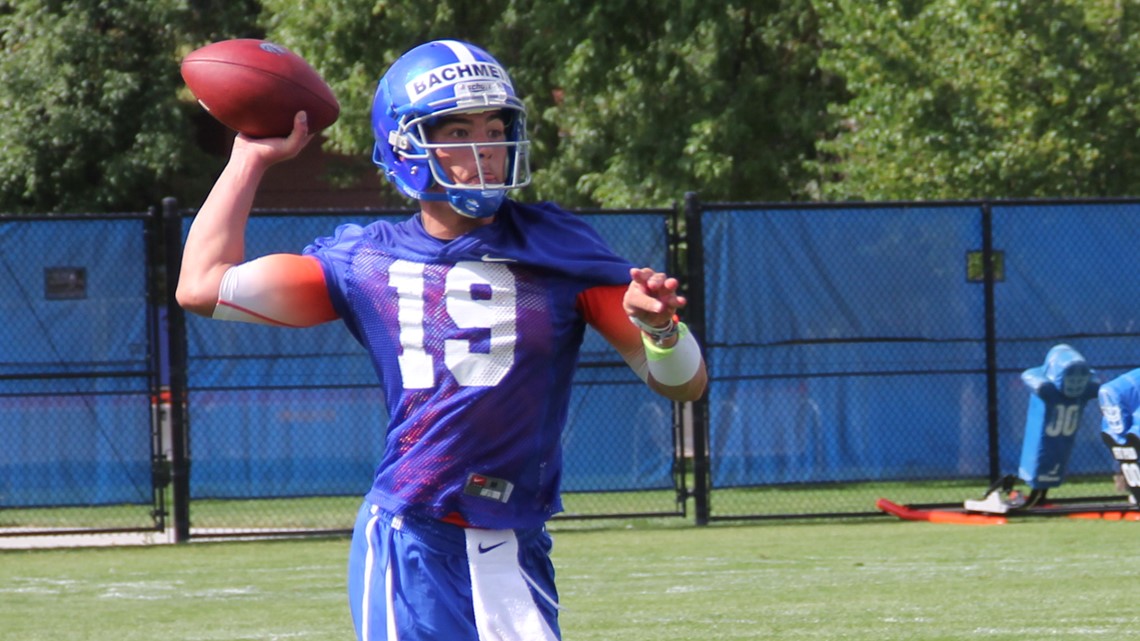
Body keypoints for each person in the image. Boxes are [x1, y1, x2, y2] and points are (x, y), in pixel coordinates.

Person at [176, 38, 707, 641]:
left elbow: (682, 383)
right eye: (456, 129)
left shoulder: (561, 248)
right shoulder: (366, 260)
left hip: (512, 543)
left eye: (494, 124)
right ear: (405, 146)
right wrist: (249, 159)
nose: (484, 145)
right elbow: (201, 286)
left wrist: (660, 329)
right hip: (412, 538)